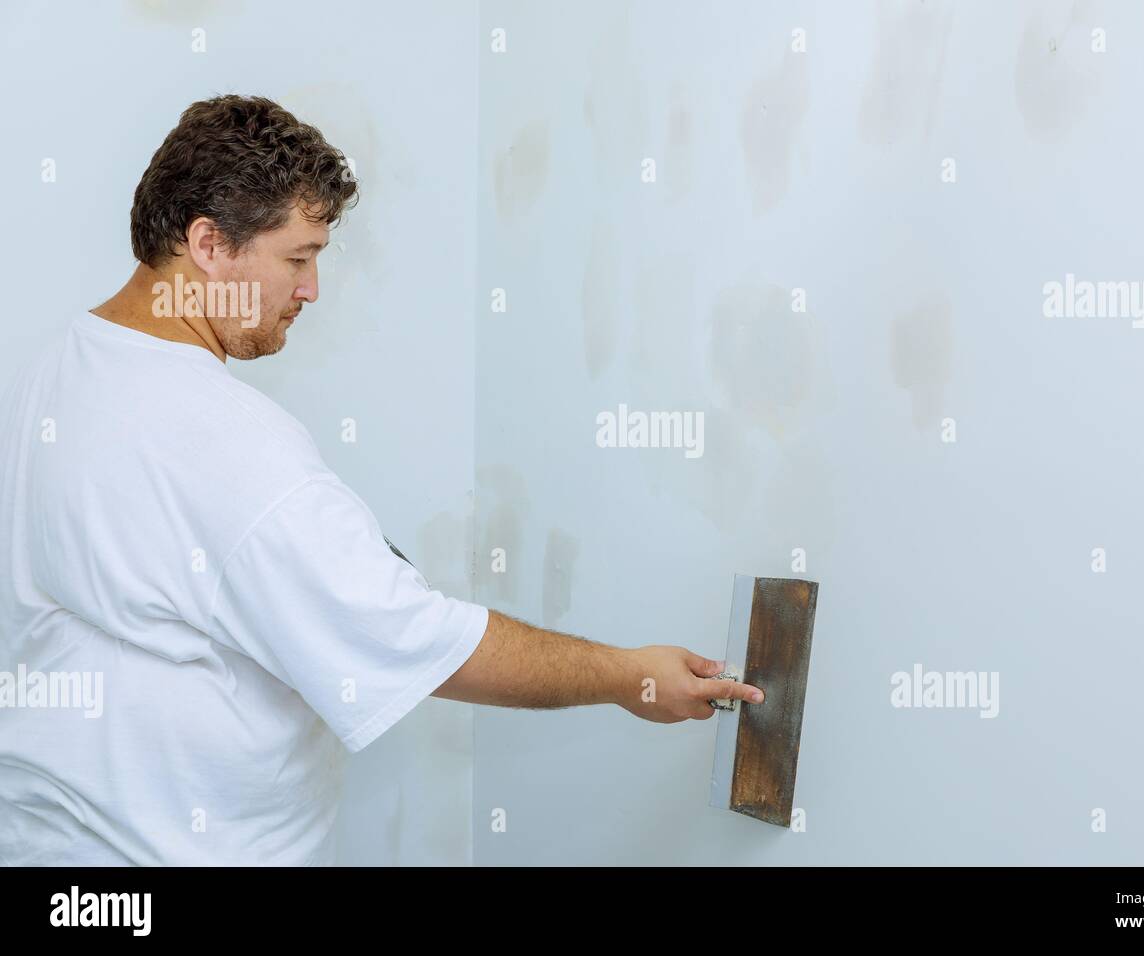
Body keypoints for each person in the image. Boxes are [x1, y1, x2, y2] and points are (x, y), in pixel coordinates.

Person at [0, 94, 762, 865]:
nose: (311, 290)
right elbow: (414, 637)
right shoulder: (229, 442)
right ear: (208, 244)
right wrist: (628, 676)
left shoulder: (64, 368)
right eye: (298, 257)